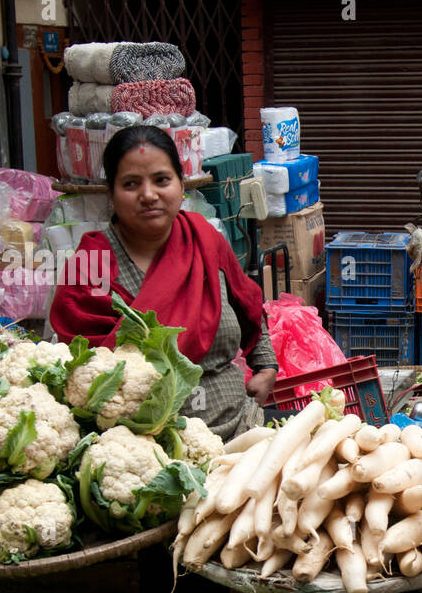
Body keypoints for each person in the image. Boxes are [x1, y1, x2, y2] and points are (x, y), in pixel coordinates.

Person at [50, 125, 278, 439]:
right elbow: (85, 377)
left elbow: (247, 304)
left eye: (162, 180)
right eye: (131, 184)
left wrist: (266, 366)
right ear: (111, 195)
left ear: (181, 186)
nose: (148, 195)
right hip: (146, 448)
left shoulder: (203, 239)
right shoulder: (92, 266)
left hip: (242, 430)